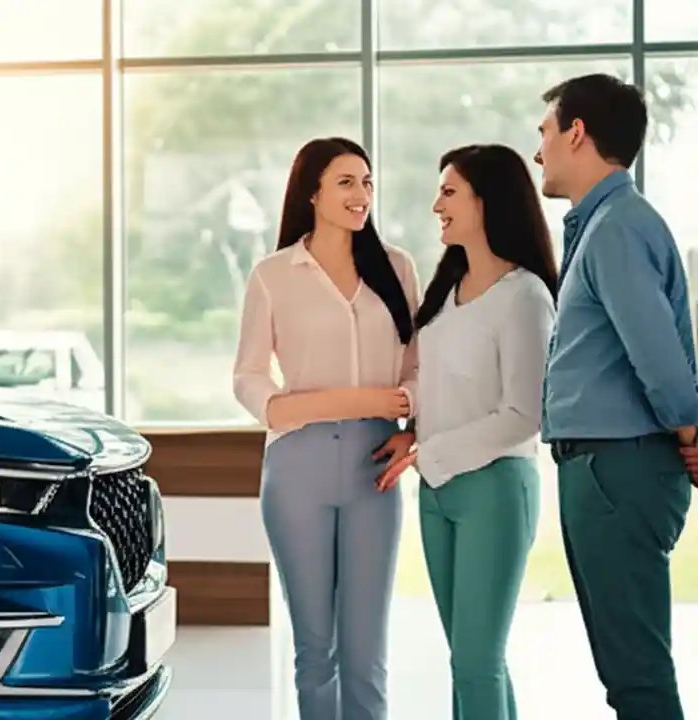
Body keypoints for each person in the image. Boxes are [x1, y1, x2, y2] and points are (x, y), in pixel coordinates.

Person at [233, 136, 419, 720]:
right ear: (312, 191)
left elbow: (417, 368)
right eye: (346, 182)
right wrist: (278, 409)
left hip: (375, 468)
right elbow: (248, 374)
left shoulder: (397, 267)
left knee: (367, 653)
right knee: (316, 650)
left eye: (367, 183)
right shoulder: (273, 275)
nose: (361, 194)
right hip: (297, 469)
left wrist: (408, 419)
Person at [536, 72, 697, 720]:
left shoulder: (616, 230)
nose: (539, 148)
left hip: (617, 469)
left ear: (577, 132)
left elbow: (657, 355)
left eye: (544, 132)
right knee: (626, 672)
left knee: (635, 675)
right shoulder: (604, 225)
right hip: (602, 467)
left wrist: (689, 432)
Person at [378, 144, 558, 719]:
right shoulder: (448, 291)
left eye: (450, 192)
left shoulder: (526, 295)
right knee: (468, 660)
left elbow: (524, 414)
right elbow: (437, 379)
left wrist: (431, 449)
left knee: (478, 661)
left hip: (495, 490)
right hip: (437, 490)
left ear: (489, 201)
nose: (436, 205)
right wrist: (413, 433)